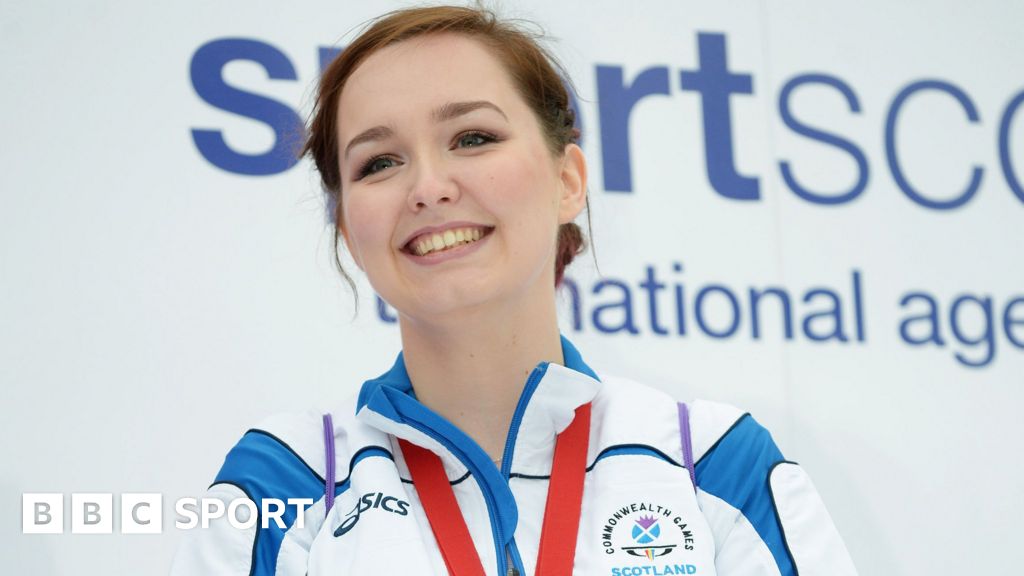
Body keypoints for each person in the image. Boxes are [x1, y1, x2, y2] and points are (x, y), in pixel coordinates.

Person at [171, 5, 858, 575]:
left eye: (472, 137)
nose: (429, 187)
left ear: (568, 181)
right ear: (349, 227)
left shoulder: (711, 462)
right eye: (379, 161)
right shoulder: (283, 483)